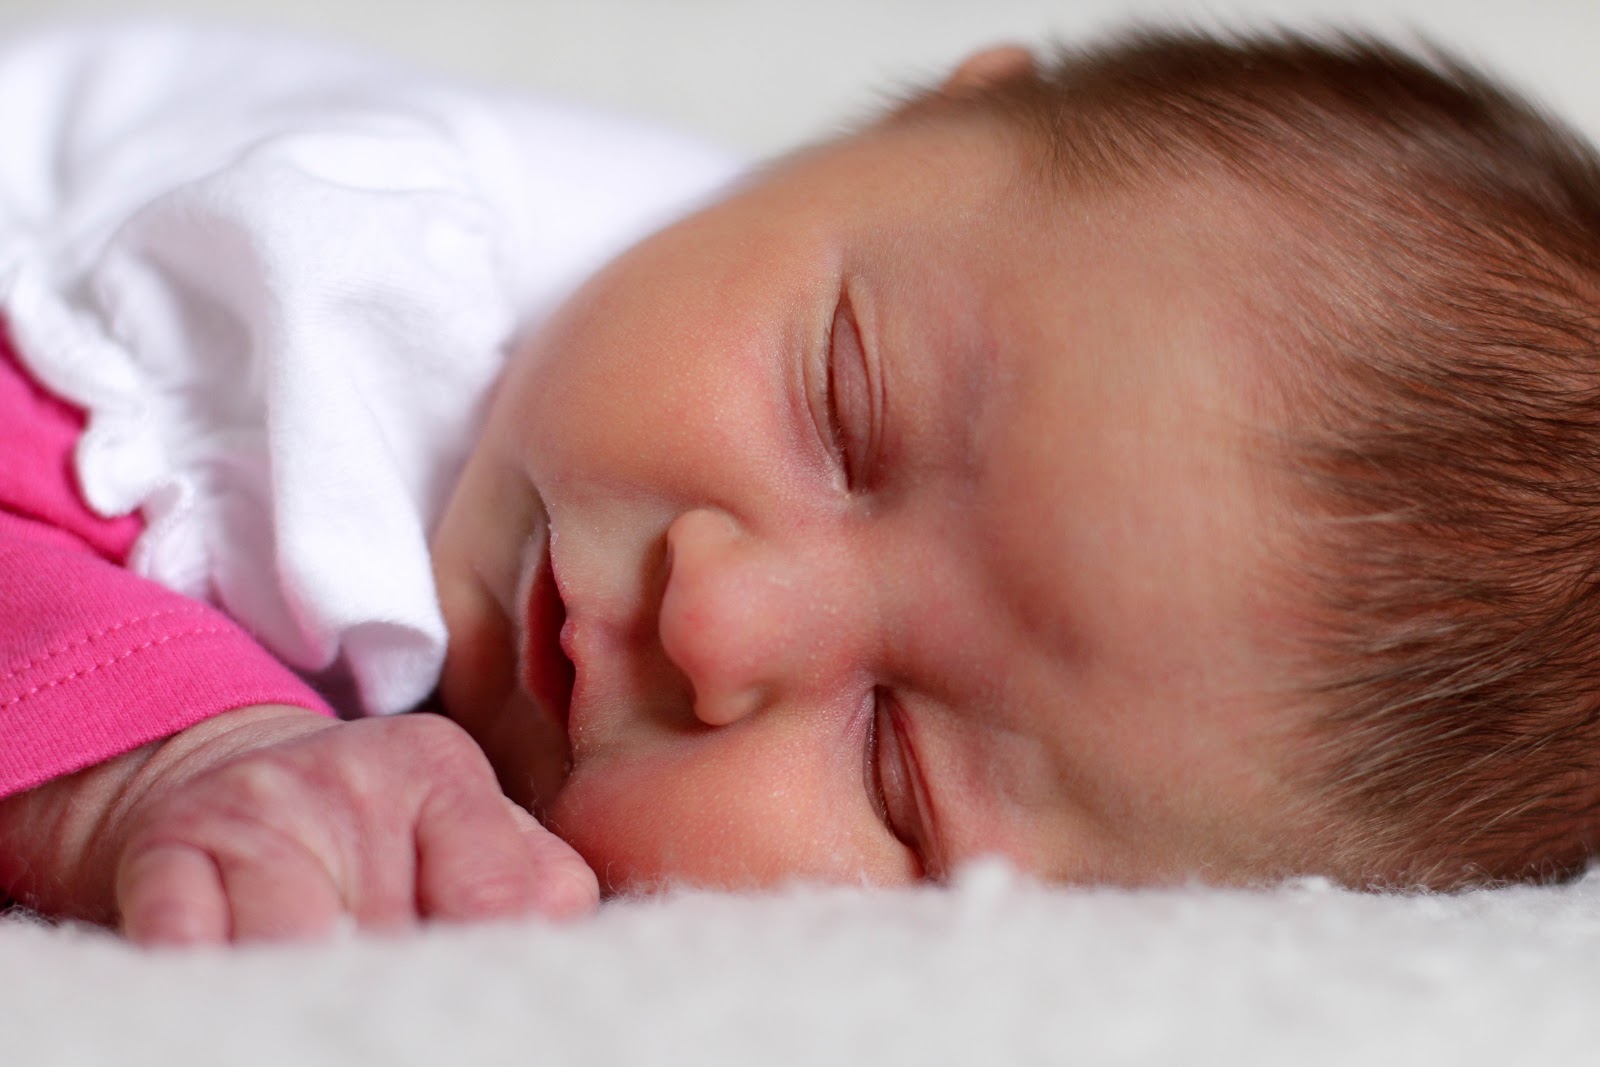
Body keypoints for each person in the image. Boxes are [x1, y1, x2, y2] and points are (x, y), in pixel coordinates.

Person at [5, 19, 1600, 946]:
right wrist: (166, 757)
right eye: (844, 412)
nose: (720, 613)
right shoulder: (336, 279)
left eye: (898, 768)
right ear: (910, 127)